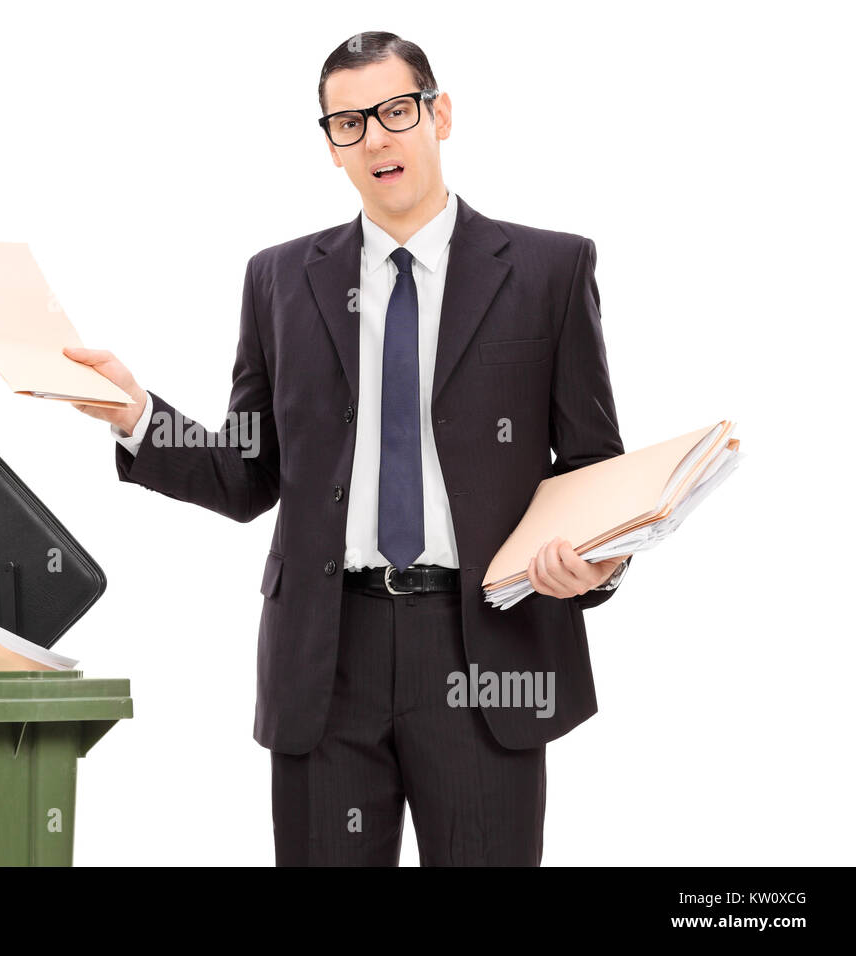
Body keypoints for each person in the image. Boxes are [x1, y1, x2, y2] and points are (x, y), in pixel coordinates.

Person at [65, 31, 631, 866]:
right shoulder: (280, 279)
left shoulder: (548, 268)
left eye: (396, 111)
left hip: (483, 646)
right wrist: (138, 414)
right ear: (330, 146)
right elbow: (248, 471)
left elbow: (593, 469)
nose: (376, 138)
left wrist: (600, 564)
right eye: (348, 123)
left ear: (440, 115)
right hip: (327, 657)